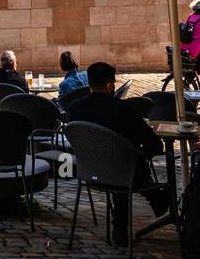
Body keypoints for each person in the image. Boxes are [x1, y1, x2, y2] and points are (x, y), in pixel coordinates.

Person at [70, 60, 169, 245]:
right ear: (109, 85)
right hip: (125, 174)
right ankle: (157, 200)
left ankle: (126, 224)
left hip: (89, 170)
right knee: (125, 163)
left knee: (119, 161)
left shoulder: (75, 109)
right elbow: (155, 145)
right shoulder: (123, 109)